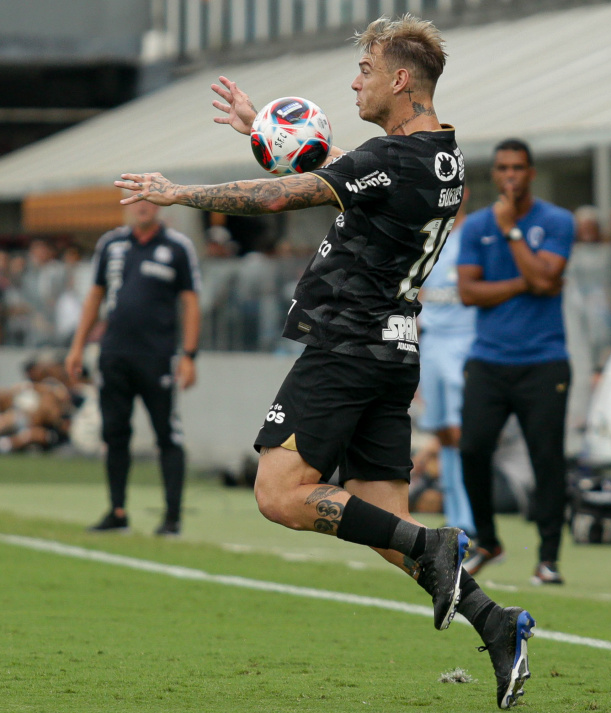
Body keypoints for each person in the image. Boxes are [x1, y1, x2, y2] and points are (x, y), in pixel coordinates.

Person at [115, 16, 534, 709]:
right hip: (394, 350)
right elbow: (354, 172)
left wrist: (177, 192)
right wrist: (262, 130)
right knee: (381, 524)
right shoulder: (442, 158)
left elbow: (280, 195)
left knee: (279, 493)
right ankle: (498, 625)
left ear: (400, 80)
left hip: (346, 345)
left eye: (365, 71)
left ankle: (441, 542)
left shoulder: (392, 159)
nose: (354, 81)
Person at [457, 138, 574, 586]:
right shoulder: (475, 227)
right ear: (494, 174)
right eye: (503, 167)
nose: (511, 175)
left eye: (518, 168)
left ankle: (548, 558)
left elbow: (547, 282)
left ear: (531, 173)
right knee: (471, 449)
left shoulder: (558, 221)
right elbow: (470, 293)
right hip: (488, 360)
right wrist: (528, 282)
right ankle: (488, 540)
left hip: (544, 361)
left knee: (547, 459)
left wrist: (512, 233)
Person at [64, 198, 201, 537]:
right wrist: (78, 346)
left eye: (149, 201)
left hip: (158, 357)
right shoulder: (111, 244)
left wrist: (189, 354)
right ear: (127, 208)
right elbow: (95, 295)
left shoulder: (178, 247)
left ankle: (172, 518)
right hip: (114, 355)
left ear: (159, 207)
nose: (143, 208)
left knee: (166, 434)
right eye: (137, 202)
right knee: (114, 433)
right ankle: (117, 511)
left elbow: (191, 301)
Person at [416, 192, 477, 536]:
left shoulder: (476, 234)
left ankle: (470, 518)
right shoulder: (428, 232)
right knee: (442, 431)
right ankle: (456, 516)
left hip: (466, 339)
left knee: (460, 431)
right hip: (433, 341)